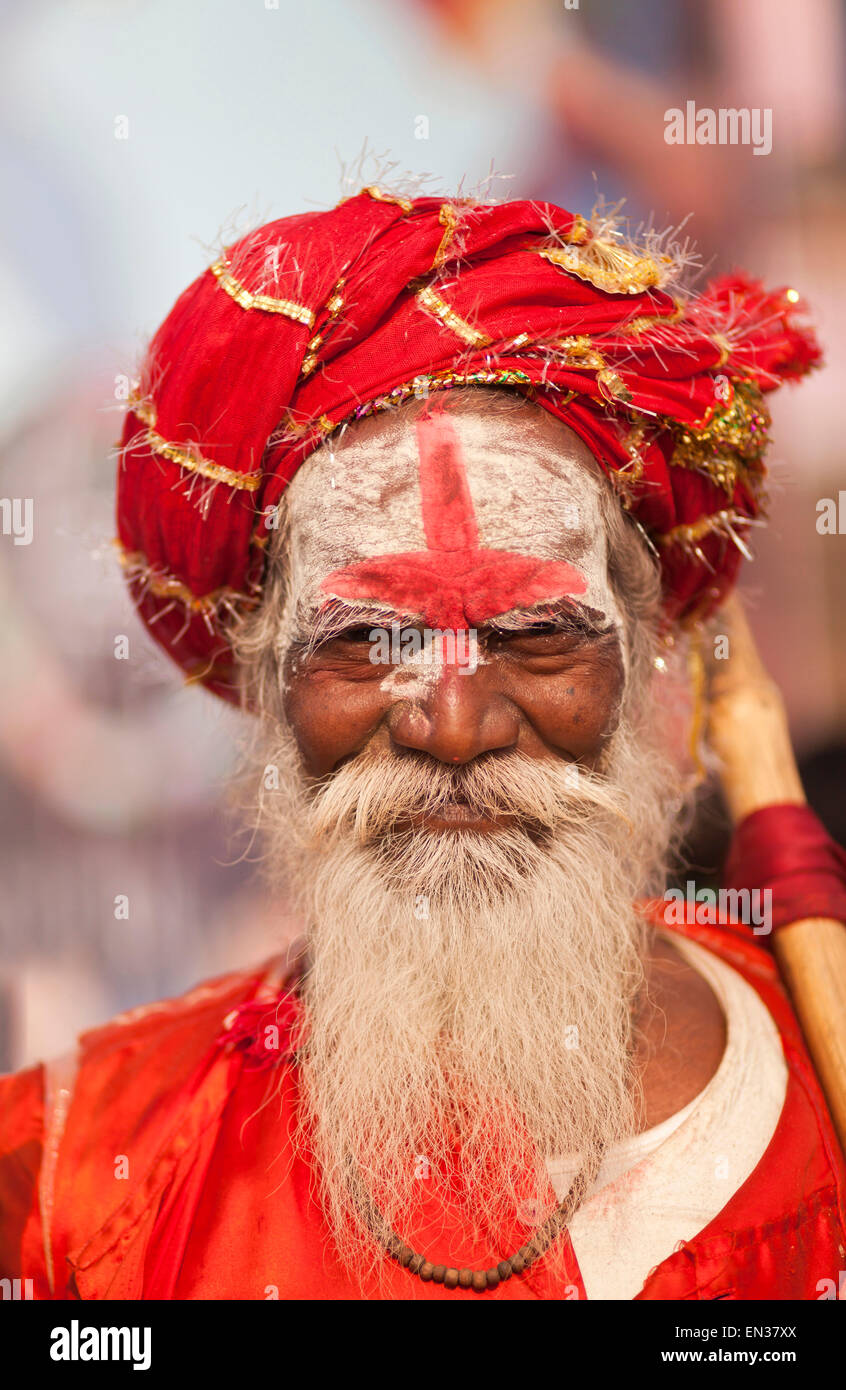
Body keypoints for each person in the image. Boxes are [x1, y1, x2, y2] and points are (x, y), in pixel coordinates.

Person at [2, 187, 845, 1300]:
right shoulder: (71, 1187)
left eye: (538, 635)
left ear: (641, 652)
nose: (453, 724)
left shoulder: (815, 1053)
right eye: (364, 640)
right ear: (265, 674)